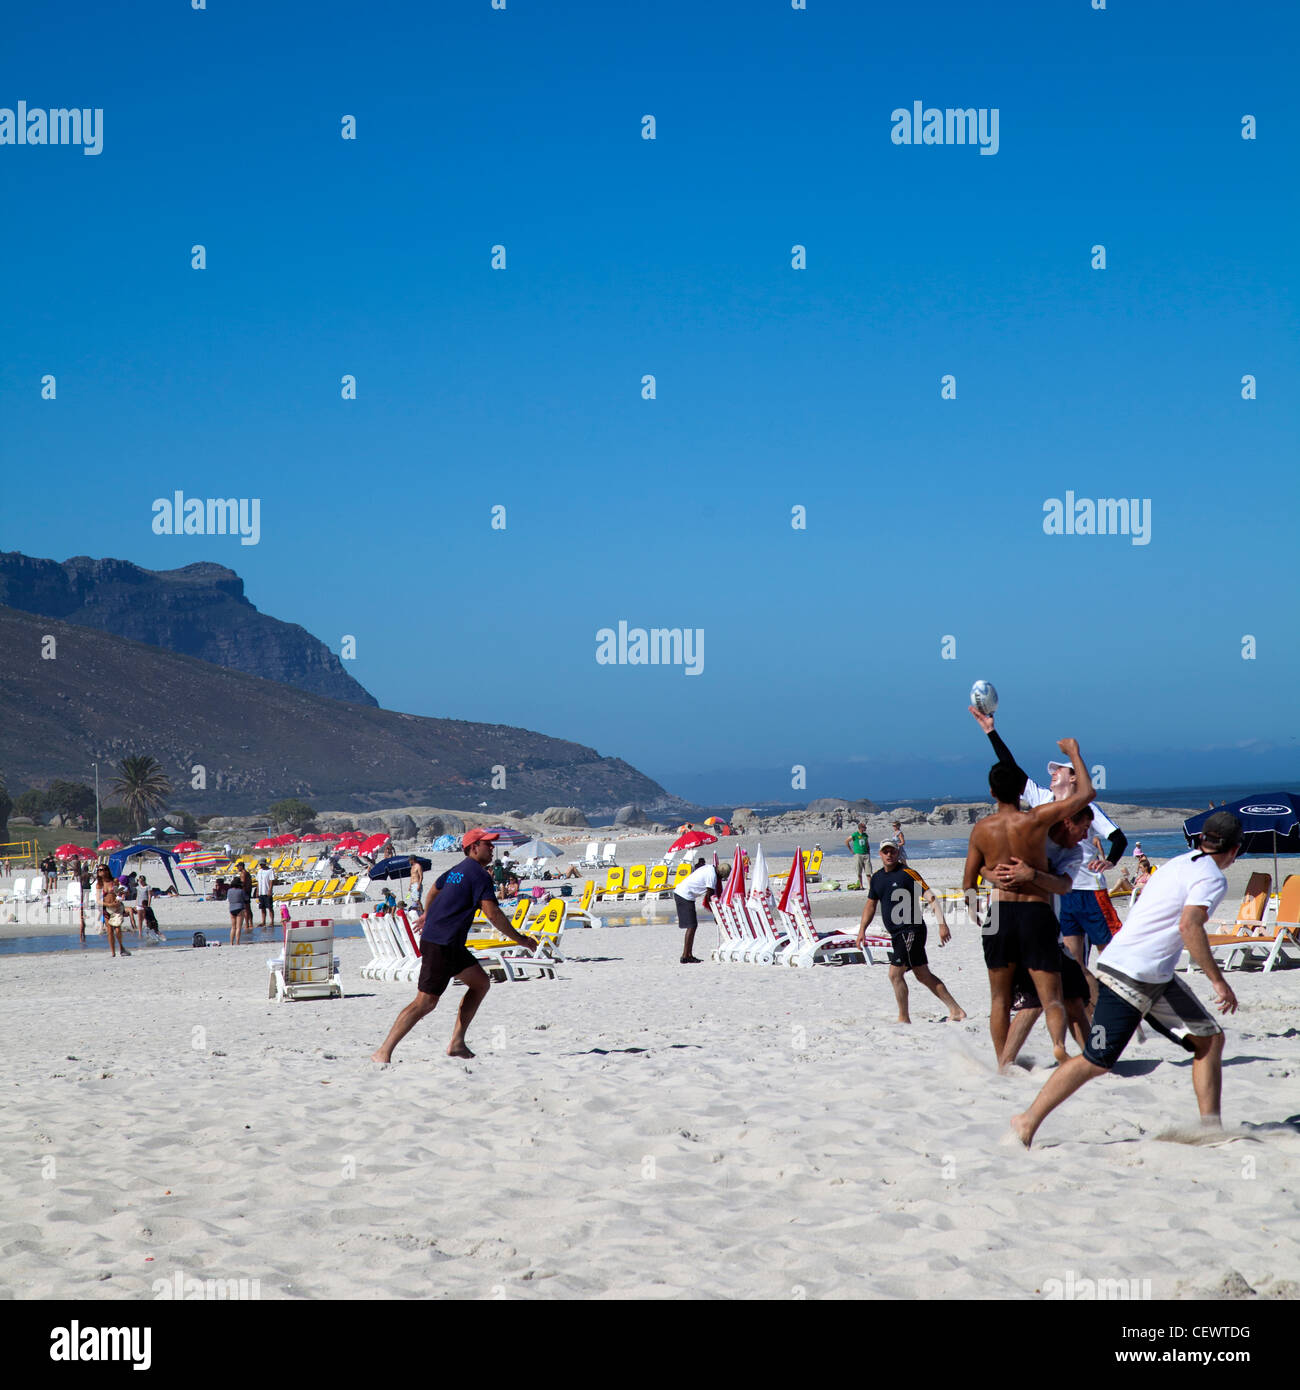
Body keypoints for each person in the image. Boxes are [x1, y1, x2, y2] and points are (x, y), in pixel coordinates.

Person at [1011, 813, 1243, 1147]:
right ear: (1235, 851)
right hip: (1131, 975)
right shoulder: (1211, 877)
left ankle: (1210, 1129)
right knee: (1096, 1061)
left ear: (1202, 838)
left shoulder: (1178, 863)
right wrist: (1219, 982)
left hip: (1151, 975)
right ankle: (1026, 1121)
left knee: (1209, 1040)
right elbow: (1189, 926)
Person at [964, 737, 1095, 1066]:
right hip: (1035, 912)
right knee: (1051, 997)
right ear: (1019, 792)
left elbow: (968, 882)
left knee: (1000, 998)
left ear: (991, 793)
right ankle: (1057, 1046)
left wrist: (978, 904)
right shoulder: (1037, 819)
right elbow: (1085, 795)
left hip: (999, 915)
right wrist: (1074, 754)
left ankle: (1001, 1063)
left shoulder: (981, 829)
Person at [971, 707, 1127, 970]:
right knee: (1072, 962)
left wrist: (1110, 861)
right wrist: (991, 731)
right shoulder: (1042, 799)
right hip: (1056, 890)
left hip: (1088, 889)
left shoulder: (1087, 810)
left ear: (1074, 776)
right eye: (1052, 771)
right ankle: (1086, 1007)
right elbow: (1012, 770)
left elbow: (1118, 838)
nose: (1053, 773)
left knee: (1113, 956)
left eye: (1059, 770)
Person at [371, 829, 537, 1063]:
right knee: (425, 1002)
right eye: (486, 844)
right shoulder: (479, 875)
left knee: (480, 983)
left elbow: (433, 890)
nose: (491, 848)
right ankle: (383, 1052)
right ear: (473, 847)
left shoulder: (455, 871)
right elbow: (493, 913)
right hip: (442, 943)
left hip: (448, 943)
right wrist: (520, 939)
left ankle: (457, 1043)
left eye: (492, 844)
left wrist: (428, 913)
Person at [994, 810, 1096, 1067]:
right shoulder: (1031, 841)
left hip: (1054, 935)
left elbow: (1062, 886)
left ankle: (1093, 1060)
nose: (1086, 835)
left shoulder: (1074, 852)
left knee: (1073, 998)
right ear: (1067, 822)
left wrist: (1033, 876)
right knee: (1033, 1001)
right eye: (1083, 828)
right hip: (1029, 933)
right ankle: (1005, 1063)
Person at [857, 842, 965, 1023]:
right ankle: (956, 1011)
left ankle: (904, 1018)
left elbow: (930, 896)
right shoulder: (876, 878)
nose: (889, 854)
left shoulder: (907, 874)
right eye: (885, 852)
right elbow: (871, 905)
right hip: (897, 933)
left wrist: (942, 924)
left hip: (910, 930)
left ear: (897, 852)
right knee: (923, 975)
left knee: (894, 974)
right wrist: (862, 930)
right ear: (880, 855)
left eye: (892, 851)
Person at [672, 857, 726, 964]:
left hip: (684, 893)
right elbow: (709, 896)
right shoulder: (712, 876)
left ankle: (688, 954)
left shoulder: (709, 867)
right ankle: (685, 956)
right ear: (720, 875)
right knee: (691, 926)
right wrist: (716, 914)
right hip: (684, 895)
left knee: (692, 925)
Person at [96, 867, 130, 958]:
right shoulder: (99, 884)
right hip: (106, 908)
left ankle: (121, 947)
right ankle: (113, 952)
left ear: (107, 871)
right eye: (98, 870)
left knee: (117, 928)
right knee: (109, 930)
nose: (99, 871)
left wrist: (120, 898)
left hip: (117, 907)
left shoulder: (114, 881)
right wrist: (108, 904)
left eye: (101, 870)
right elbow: (98, 900)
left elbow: (123, 891)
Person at [845, 822, 872, 889]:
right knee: (859, 871)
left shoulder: (865, 835)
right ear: (860, 828)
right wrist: (851, 851)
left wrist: (868, 852)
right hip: (858, 854)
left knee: (868, 871)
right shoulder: (855, 835)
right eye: (864, 827)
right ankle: (861, 885)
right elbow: (847, 841)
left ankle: (871, 886)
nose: (865, 828)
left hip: (866, 854)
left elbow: (867, 844)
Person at [225, 873, 248, 945]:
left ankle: (231, 942)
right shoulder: (241, 891)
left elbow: (228, 899)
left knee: (233, 927)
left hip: (231, 908)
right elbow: (246, 898)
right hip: (239, 908)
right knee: (238, 927)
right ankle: (237, 942)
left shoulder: (229, 891)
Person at [255, 859, 275, 928]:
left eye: (262, 864)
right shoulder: (259, 871)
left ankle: (272, 921)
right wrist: (257, 891)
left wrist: (270, 890)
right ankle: (263, 921)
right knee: (262, 908)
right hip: (261, 892)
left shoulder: (270, 871)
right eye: (260, 864)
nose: (261, 865)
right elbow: (258, 882)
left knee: (269, 907)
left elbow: (271, 881)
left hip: (267, 891)